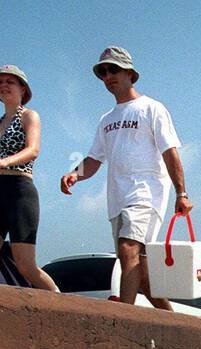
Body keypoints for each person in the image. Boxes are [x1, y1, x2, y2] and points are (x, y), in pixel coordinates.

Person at [60, 46, 192, 308]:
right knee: (142, 275)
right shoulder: (106, 119)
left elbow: (170, 152)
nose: (108, 76)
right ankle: (175, 323)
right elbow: (95, 158)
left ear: (130, 73)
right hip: (117, 199)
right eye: (103, 71)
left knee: (127, 249)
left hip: (146, 194)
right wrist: (75, 174)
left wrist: (182, 193)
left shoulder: (152, 108)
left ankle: (122, 319)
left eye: (114, 69)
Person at [0, 65, 58, 291]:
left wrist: (5, 161)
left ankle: (63, 303)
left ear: (22, 88)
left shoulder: (30, 116)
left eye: (9, 82)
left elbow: (33, 150)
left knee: (26, 265)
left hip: (20, 191)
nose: (3, 85)